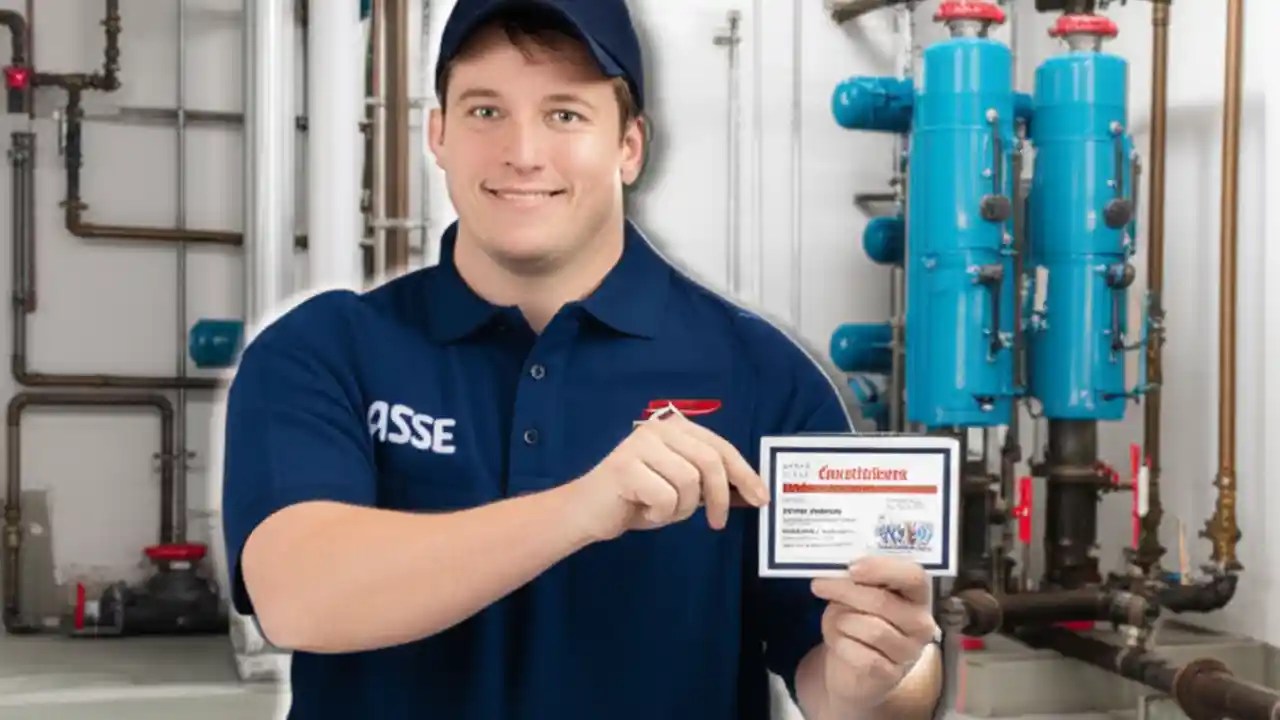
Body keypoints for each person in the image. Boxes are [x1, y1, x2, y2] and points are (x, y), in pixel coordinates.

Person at [221, 0, 944, 718]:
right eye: (485, 111)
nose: (522, 152)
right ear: (438, 134)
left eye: (564, 114)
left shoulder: (761, 374)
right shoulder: (324, 351)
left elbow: (853, 677)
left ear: (629, 145)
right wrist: (580, 509)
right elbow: (297, 596)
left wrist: (883, 674)